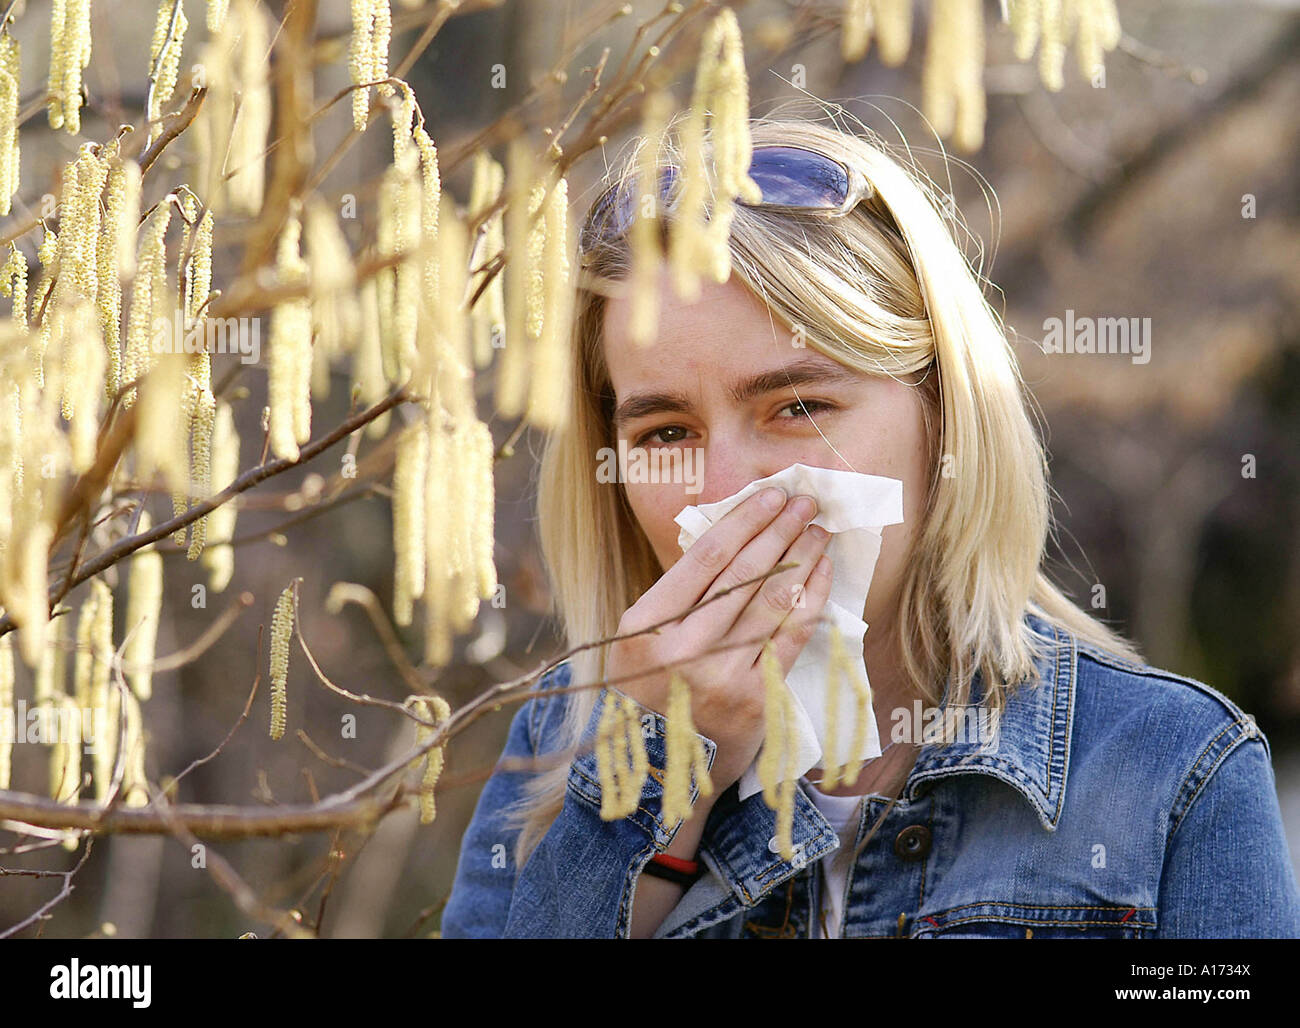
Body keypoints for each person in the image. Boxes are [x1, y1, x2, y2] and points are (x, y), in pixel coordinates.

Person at [439, 111, 1300, 938]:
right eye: (666, 433)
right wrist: (658, 784)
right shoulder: (557, 750)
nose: (730, 486)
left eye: (798, 406)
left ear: (942, 415)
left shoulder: (1172, 772)